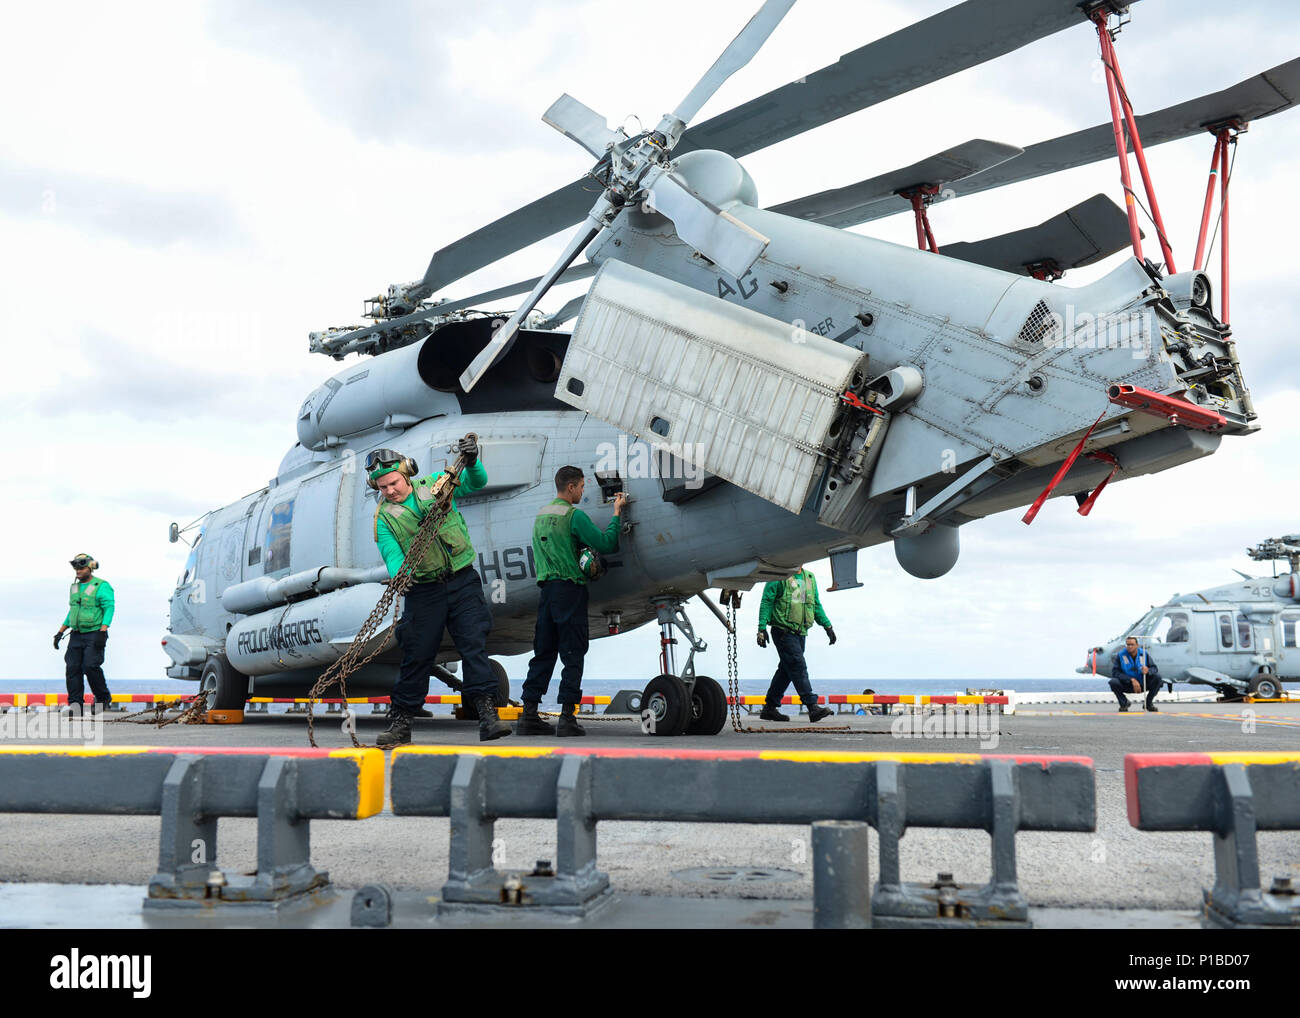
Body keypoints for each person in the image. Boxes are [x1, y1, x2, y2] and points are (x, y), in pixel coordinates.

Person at [369, 439, 509, 746]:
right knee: (417, 655)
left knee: (473, 644)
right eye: (382, 487)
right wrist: (400, 575)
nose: (390, 491)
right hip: (423, 590)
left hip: (462, 580)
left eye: (392, 483)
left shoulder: (437, 484)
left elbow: (476, 483)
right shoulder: (384, 519)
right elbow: (392, 555)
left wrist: (473, 462)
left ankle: (487, 716)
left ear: (406, 474)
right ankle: (402, 723)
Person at [516, 467, 627, 737]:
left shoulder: (541, 516)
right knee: (573, 653)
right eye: (580, 487)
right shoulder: (573, 516)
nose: (582, 492)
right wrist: (616, 513)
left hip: (547, 593)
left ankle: (528, 714)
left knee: (543, 652)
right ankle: (567, 717)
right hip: (570, 590)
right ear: (570, 488)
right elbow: (607, 543)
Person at [756, 566, 835, 723]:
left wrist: (828, 626)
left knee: (786, 670)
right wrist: (762, 628)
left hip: (801, 633)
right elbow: (767, 600)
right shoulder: (778, 575)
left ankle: (769, 708)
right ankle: (812, 706)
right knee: (798, 666)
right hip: (783, 631)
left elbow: (816, 605)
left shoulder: (809, 578)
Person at [54, 553, 114, 714]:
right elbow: (73, 611)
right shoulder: (74, 588)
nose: (78, 570)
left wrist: (103, 630)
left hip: (95, 632)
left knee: (90, 666)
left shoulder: (101, 585)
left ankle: (103, 698)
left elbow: (109, 607)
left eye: (81, 567)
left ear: (90, 567)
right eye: (76, 567)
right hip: (76, 634)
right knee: (72, 668)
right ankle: (76, 705)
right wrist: (60, 632)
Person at [1110, 636, 1162, 712]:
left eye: (1132, 644)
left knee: (1157, 678)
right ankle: (1124, 703)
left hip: (1143, 683)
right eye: (1128, 645)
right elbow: (1115, 672)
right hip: (1128, 684)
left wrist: (1148, 670)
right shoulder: (1121, 655)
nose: (1130, 646)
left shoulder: (1143, 654)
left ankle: (1148, 703)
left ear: (1137, 645)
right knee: (1113, 682)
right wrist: (1131, 679)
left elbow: (1154, 668)